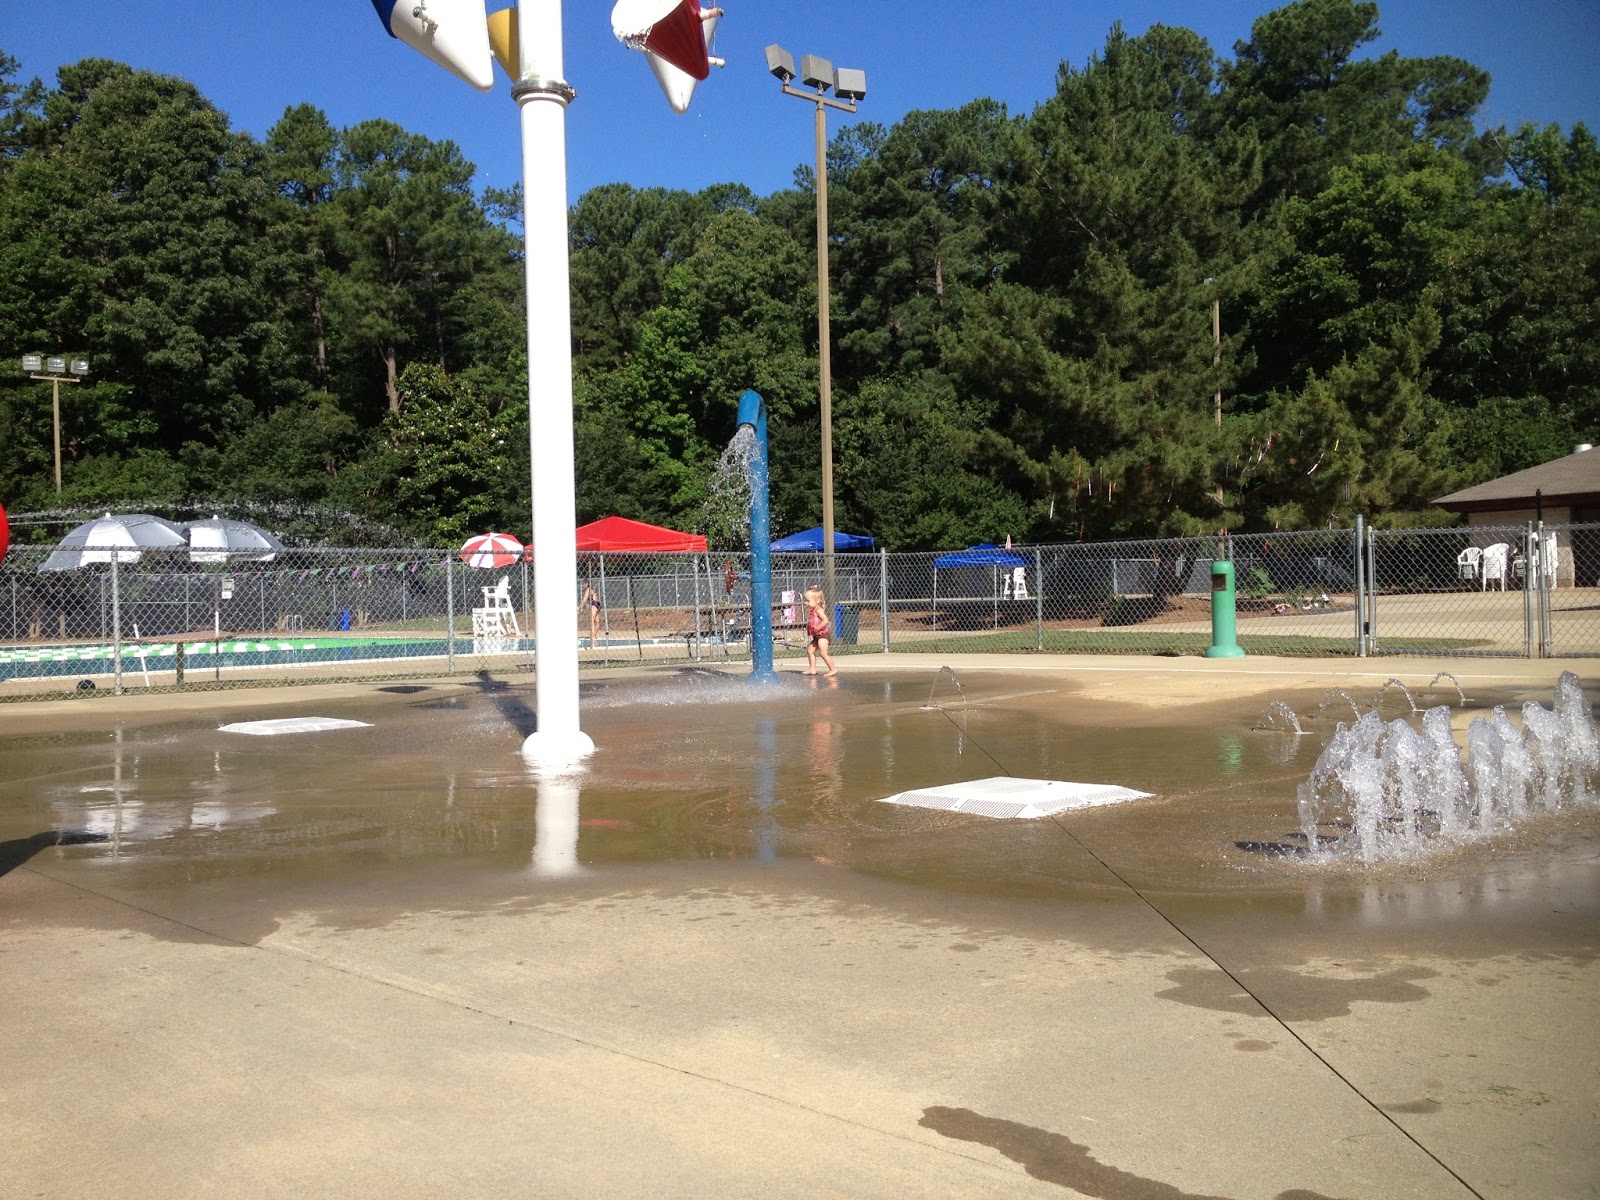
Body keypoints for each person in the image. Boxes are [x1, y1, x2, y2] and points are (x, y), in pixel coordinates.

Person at [802, 585, 837, 677]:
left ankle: (833, 669)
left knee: (823, 653)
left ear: (817, 601)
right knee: (810, 651)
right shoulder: (813, 610)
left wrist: (818, 627)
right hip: (816, 636)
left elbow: (825, 620)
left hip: (823, 635)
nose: (806, 603)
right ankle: (812, 668)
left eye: (808, 601)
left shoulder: (819, 610)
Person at [580, 581, 602, 646]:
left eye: (583, 584)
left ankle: (593, 637)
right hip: (598, 604)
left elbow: (584, 600)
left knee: (592, 621)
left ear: (586, 584)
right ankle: (594, 635)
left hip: (594, 604)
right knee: (597, 622)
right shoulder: (593, 589)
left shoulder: (588, 590)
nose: (582, 586)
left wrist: (580, 607)